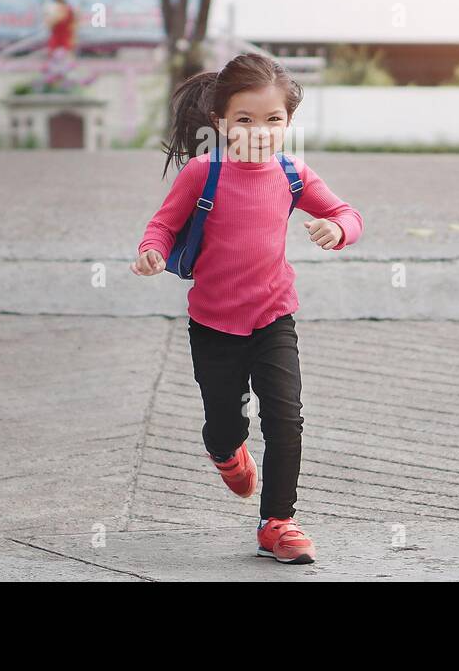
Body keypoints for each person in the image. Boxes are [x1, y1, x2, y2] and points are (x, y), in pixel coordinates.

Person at [130, 53, 364, 564]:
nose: (260, 131)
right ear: (220, 122)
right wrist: (150, 251)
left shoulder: (292, 173)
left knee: (286, 419)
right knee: (223, 424)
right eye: (245, 120)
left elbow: (347, 213)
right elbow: (163, 225)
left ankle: (277, 522)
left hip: (273, 317)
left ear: (289, 123)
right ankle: (225, 450)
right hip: (212, 324)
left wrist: (338, 229)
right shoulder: (202, 172)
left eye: (274, 120)